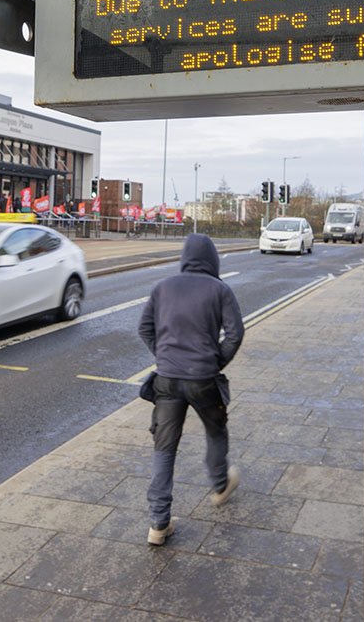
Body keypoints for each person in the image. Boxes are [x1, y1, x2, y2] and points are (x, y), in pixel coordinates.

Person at [137, 233, 245, 546]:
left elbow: (144, 328)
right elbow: (235, 334)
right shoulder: (220, 289)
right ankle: (220, 485)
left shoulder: (163, 287)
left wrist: (164, 356)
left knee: (164, 448)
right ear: (212, 259)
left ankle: (158, 524)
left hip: (167, 380)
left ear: (185, 257)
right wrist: (215, 361)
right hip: (203, 378)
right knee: (215, 432)